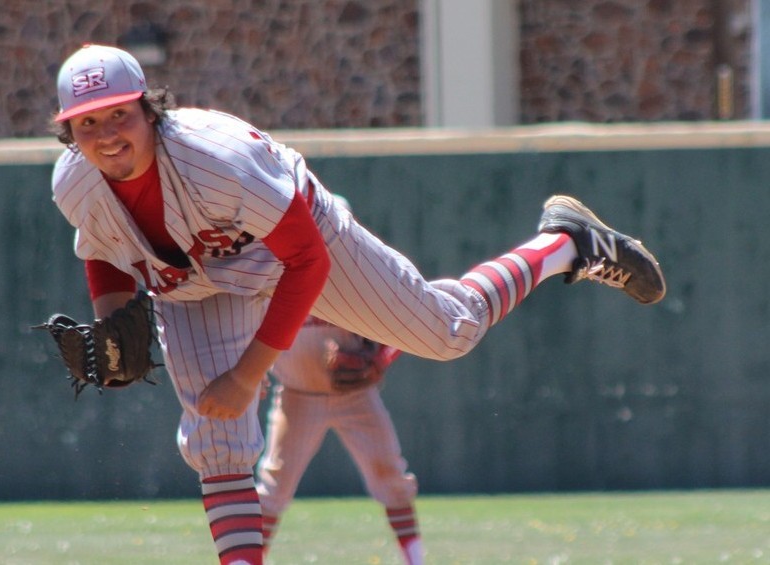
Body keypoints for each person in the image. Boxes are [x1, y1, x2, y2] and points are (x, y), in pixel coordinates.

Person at [46, 44, 665, 565]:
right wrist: (110, 317)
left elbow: (306, 260)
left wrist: (248, 374)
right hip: (195, 281)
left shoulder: (216, 160)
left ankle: (565, 243)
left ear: (149, 110)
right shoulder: (75, 181)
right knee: (215, 437)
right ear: (68, 130)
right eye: (87, 122)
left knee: (449, 331)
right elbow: (103, 249)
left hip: (302, 242)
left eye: (117, 114)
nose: (104, 134)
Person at [256, 308, 423, 564]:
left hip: (356, 396)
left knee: (391, 479)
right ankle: (246, 559)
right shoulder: (270, 272)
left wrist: (381, 358)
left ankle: (416, 561)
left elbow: (400, 316)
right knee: (272, 488)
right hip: (296, 395)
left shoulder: (349, 271)